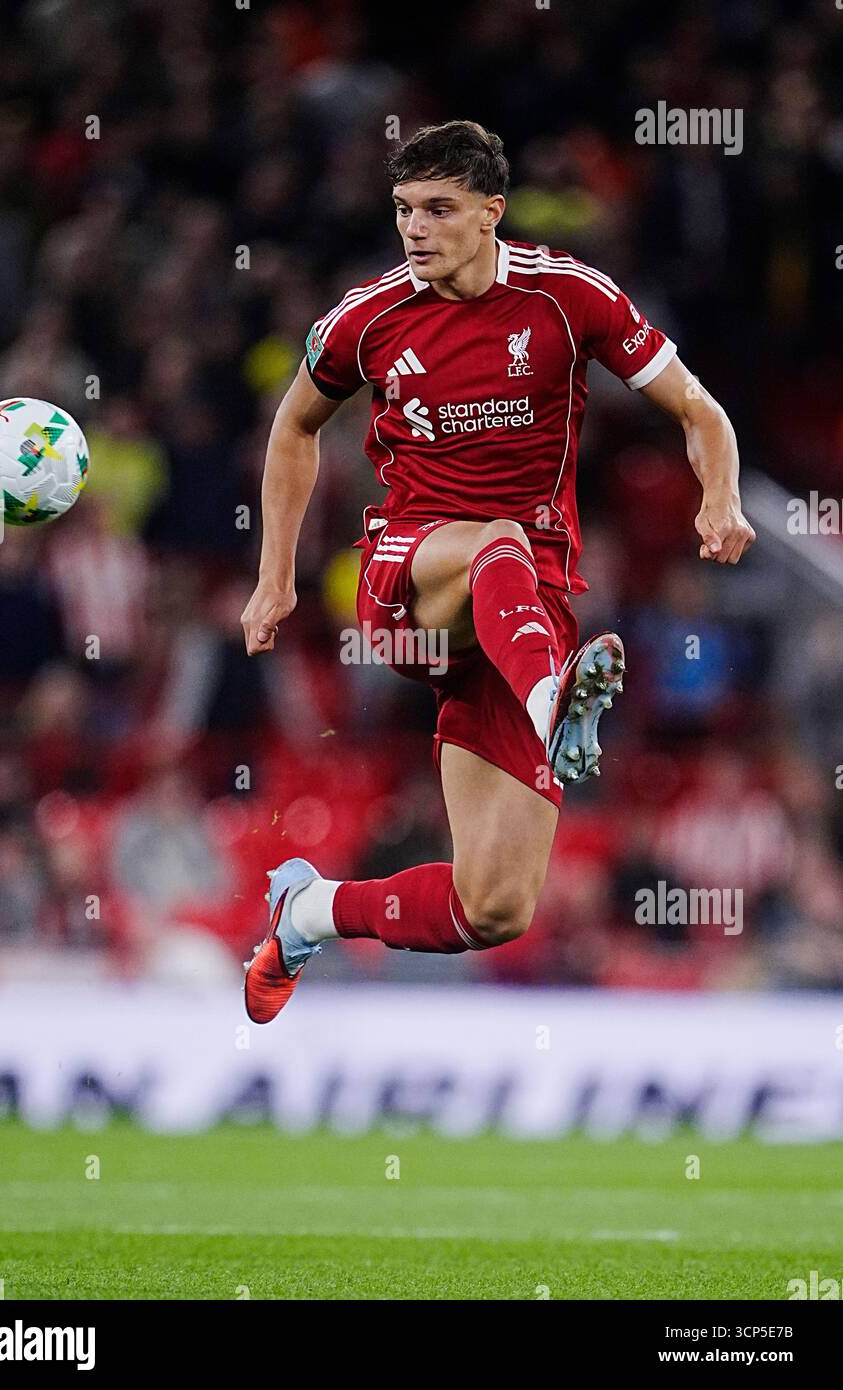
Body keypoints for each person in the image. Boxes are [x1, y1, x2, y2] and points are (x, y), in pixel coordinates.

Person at [240, 120, 755, 1023]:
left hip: (520, 623)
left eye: (438, 209)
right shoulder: (366, 317)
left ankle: (309, 912)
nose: (415, 229)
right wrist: (274, 576)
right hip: (412, 579)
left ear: (491, 212)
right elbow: (293, 426)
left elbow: (698, 410)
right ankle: (556, 705)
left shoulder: (568, 297)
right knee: (495, 542)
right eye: (403, 209)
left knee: (493, 908)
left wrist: (720, 498)